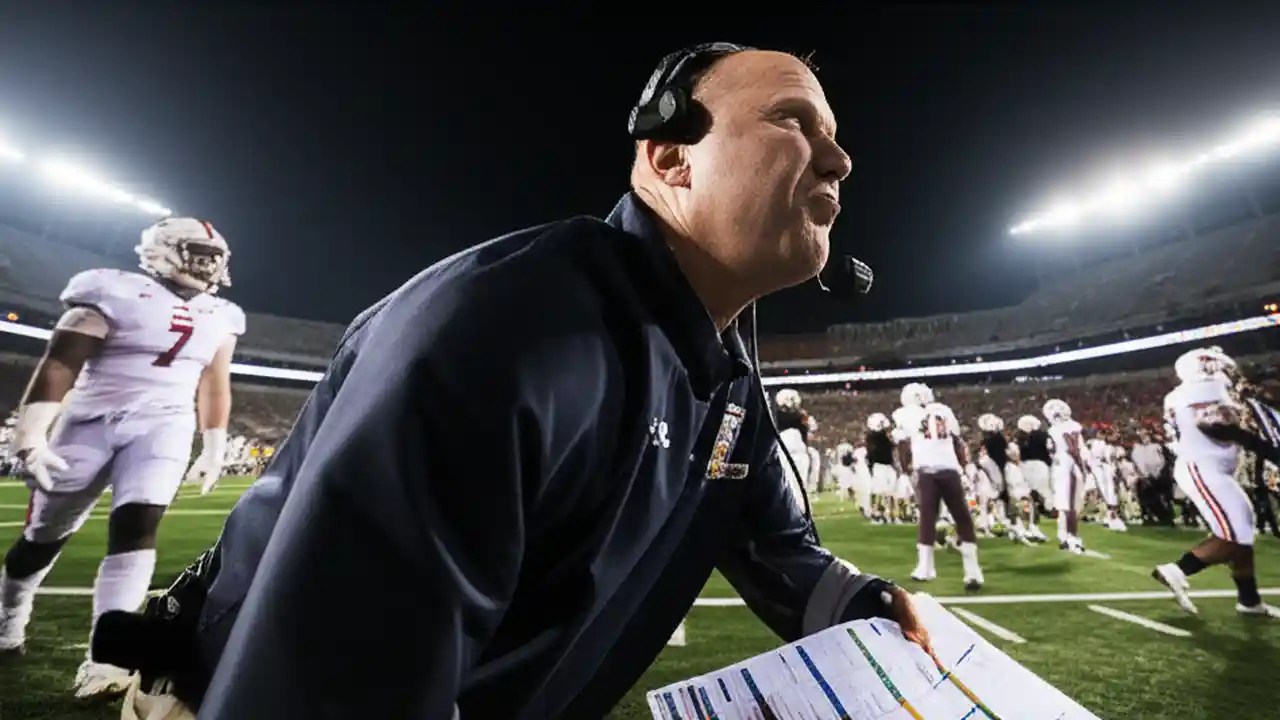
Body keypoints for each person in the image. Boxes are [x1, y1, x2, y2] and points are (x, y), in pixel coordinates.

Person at [96, 43, 930, 720]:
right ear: (671, 156)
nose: (841, 158)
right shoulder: (510, 326)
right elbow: (327, 681)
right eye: (793, 120)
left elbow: (778, 551)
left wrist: (874, 606)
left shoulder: (721, 376)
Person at [0, 217, 241, 696]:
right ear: (164, 249)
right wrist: (32, 433)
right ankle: (10, 616)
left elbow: (215, 382)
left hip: (165, 425)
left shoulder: (222, 314)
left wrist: (214, 444)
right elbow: (61, 361)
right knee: (43, 538)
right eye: (197, 251)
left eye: (214, 256)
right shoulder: (111, 289)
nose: (208, 263)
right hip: (90, 422)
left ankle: (104, 662)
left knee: (137, 528)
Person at [1153, 347, 1277, 617]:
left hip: (1206, 466)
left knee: (1243, 531)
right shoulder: (1207, 390)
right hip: (1204, 468)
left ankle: (1249, 599)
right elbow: (1218, 425)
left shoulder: (1179, 394)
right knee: (1235, 535)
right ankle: (1177, 570)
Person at [893, 382, 983, 590]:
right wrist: (965, 465)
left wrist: (906, 472)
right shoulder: (944, 410)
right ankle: (972, 570)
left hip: (927, 471)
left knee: (928, 517)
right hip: (949, 468)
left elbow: (903, 445)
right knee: (962, 517)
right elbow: (958, 442)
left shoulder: (904, 415)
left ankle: (926, 566)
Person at [1045, 398, 1088, 553]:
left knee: (1066, 504)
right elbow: (1081, 451)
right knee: (1070, 505)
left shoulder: (1053, 431)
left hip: (1063, 466)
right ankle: (1070, 536)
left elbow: (1052, 452)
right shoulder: (1074, 428)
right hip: (1071, 466)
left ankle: (1065, 536)